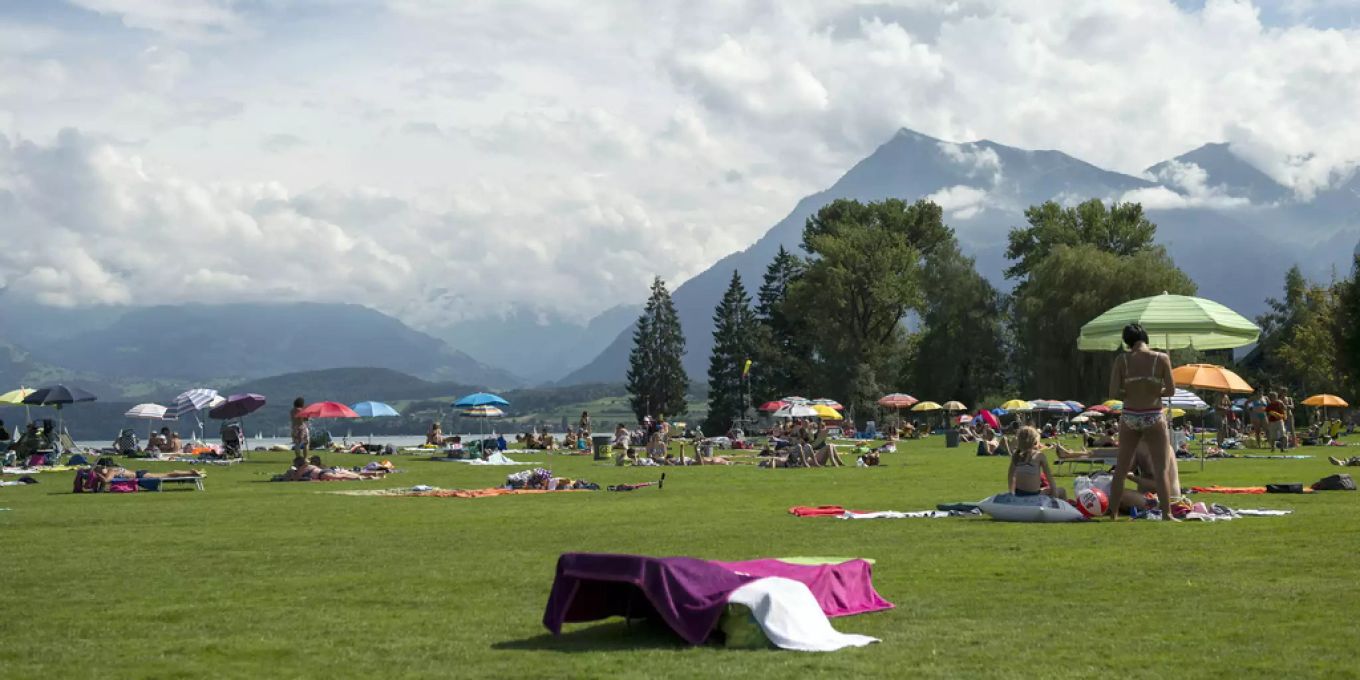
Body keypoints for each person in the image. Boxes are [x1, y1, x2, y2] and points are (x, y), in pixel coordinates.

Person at [1106, 323, 1177, 521]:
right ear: (1145, 338)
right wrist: (1154, 391)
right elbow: (1171, 390)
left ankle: (1113, 512)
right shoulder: (1161, 358)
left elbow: (1113, 392)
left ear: (1127, 342)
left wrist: (1131, 391)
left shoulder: (1122, 360)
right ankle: (1167, 514)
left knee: (1121, 468)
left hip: (1130, 414)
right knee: (1161, 468)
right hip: (1153, 414)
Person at [1008, 427, 1064, 499]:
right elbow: (1049, 476)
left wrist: (1012, 493)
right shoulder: (1039, 455)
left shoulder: (1015, 456)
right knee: (1062, 491)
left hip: (1018, 493)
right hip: (1034, 495)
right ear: (1034, 442)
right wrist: (1054, 492)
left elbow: (1010, 476)